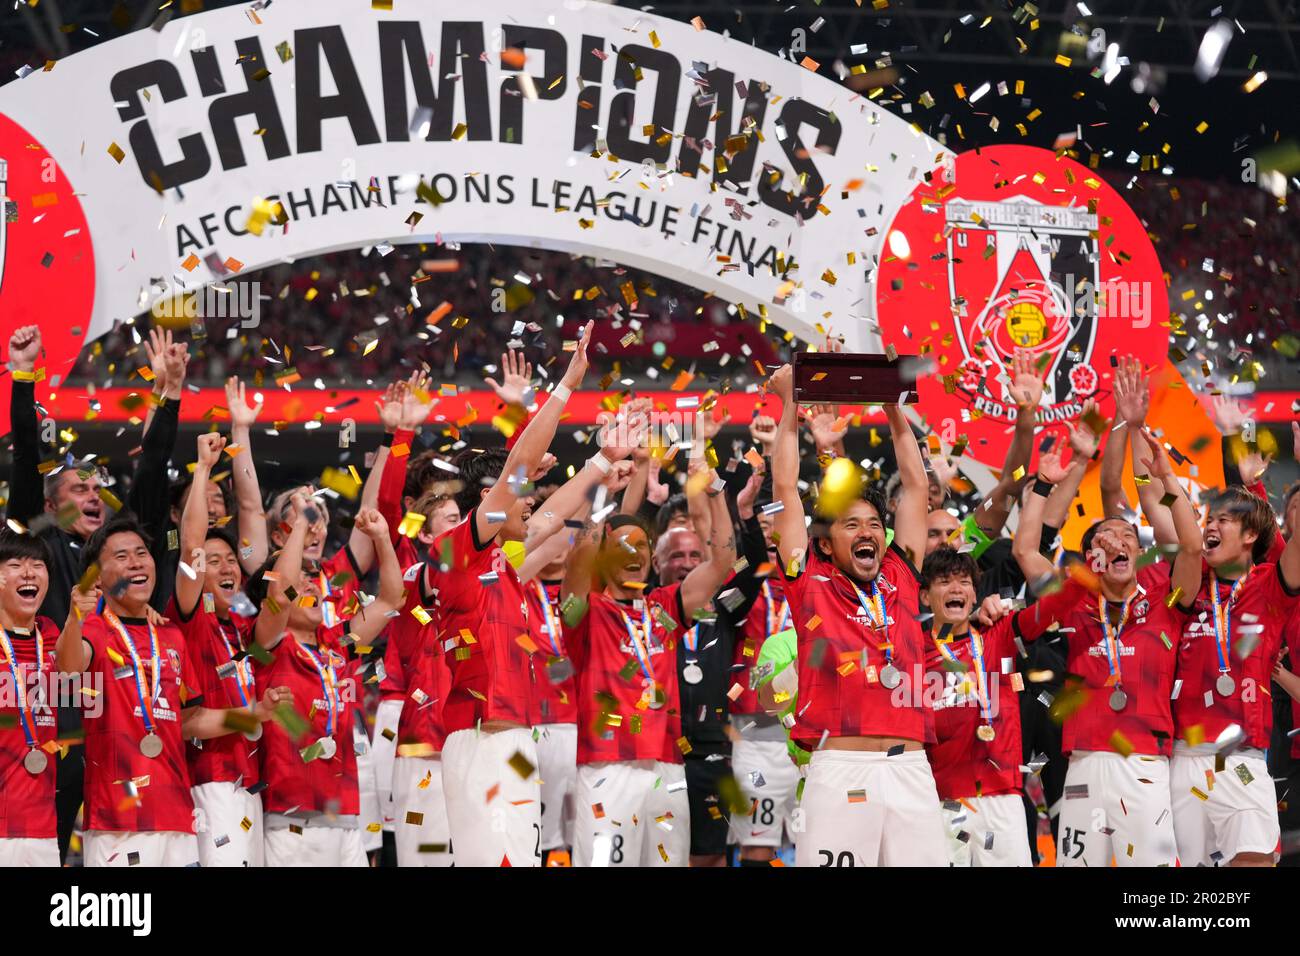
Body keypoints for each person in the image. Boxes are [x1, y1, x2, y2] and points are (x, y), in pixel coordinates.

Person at [7, 324, 187, 860]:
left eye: (96, 489)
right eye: (76, 488)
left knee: (124, 854)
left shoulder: (117, 554)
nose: (92, 495)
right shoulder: (38, 546)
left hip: (124, 726)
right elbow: (23, 460)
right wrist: (23, 376)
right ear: (50, 503)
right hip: (58, 717)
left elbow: (152, 474)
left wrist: (168, 395)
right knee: (48, 847)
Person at [767, 361, 948, 867]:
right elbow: (785, 490)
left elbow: (916, 488)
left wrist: (893, 408)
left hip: (912, 767)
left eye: (873, 523)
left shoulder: (900, 573)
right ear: (825, 540)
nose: (867, 532)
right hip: (840, 766)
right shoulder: (808, 579)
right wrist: (789, 408)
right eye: (851, 524)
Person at [1013, 427, 1202, 867]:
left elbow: (1191, 545)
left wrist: (1168, 480)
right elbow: (1025, 550)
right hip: (1082, 766)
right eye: (1104, 539)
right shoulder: (1076, 603)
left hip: (1146, 765)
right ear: (1090, 559)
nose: (1117, 541)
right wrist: (1042, 485)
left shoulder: (1167, 599)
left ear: (1138, 553)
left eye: (1126, 537)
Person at [56, 515, 289, 867]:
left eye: (141, 553)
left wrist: (254, 715)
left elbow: (191, 719)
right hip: (119, 818)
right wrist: (74, 617)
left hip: (179, 815)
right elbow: (69, 666)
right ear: (96, 577)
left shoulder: (170, 637)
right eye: (121, 556)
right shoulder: (93, 631)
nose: (136, 562)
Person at [562, 462, 735, 867]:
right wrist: (602, 493)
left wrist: (716, 496)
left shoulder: (664, 609)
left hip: (669, 770)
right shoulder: (585, 614)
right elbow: (575, 565)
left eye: (641, 545)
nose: (633, 552)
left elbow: (722, 565)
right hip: (608, 768)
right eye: (621, 544)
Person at [249, 498, 404, 866]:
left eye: (312, 578)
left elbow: (390, 600)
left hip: (346, 816)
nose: (309, 584)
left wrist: (382, 538)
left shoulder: (339, 644)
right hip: (289, 821)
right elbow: (279, 591)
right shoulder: (266, 644)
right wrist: (302, 521)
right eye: (300, 578)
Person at [1170, 485, 1300, 866]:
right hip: (1181, 757)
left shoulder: (1269, 587)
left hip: (1241, 758)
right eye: (1210, 518)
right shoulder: (1186, 587)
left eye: (1224, 520)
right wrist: (1159, 478)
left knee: (1255, 859)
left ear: (1250, 535)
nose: (1211, 525)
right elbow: (1169, 526)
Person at [170, 432, 266, 866]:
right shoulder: (190, 617)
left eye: (231, 560)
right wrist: (204, 470)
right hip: (210, 780)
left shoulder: (242, 626)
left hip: (251, 783)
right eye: (215, 562)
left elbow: (255, 530)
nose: (226, 567)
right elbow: (191, 550)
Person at [920, 547, 1031, 866]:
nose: (956, 588)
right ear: (925, 596)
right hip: (941, 799)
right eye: (944, 581)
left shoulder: (997, 633)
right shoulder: (913, 650)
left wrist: (1006, 603)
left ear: (975, 592)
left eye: (964, 582)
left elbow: (1051, 603)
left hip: (1001, 795)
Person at [0, 532, 60, 865]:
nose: (29, 573)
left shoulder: (50, 634)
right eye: (15, 564)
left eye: (38, 565)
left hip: (41, 826)